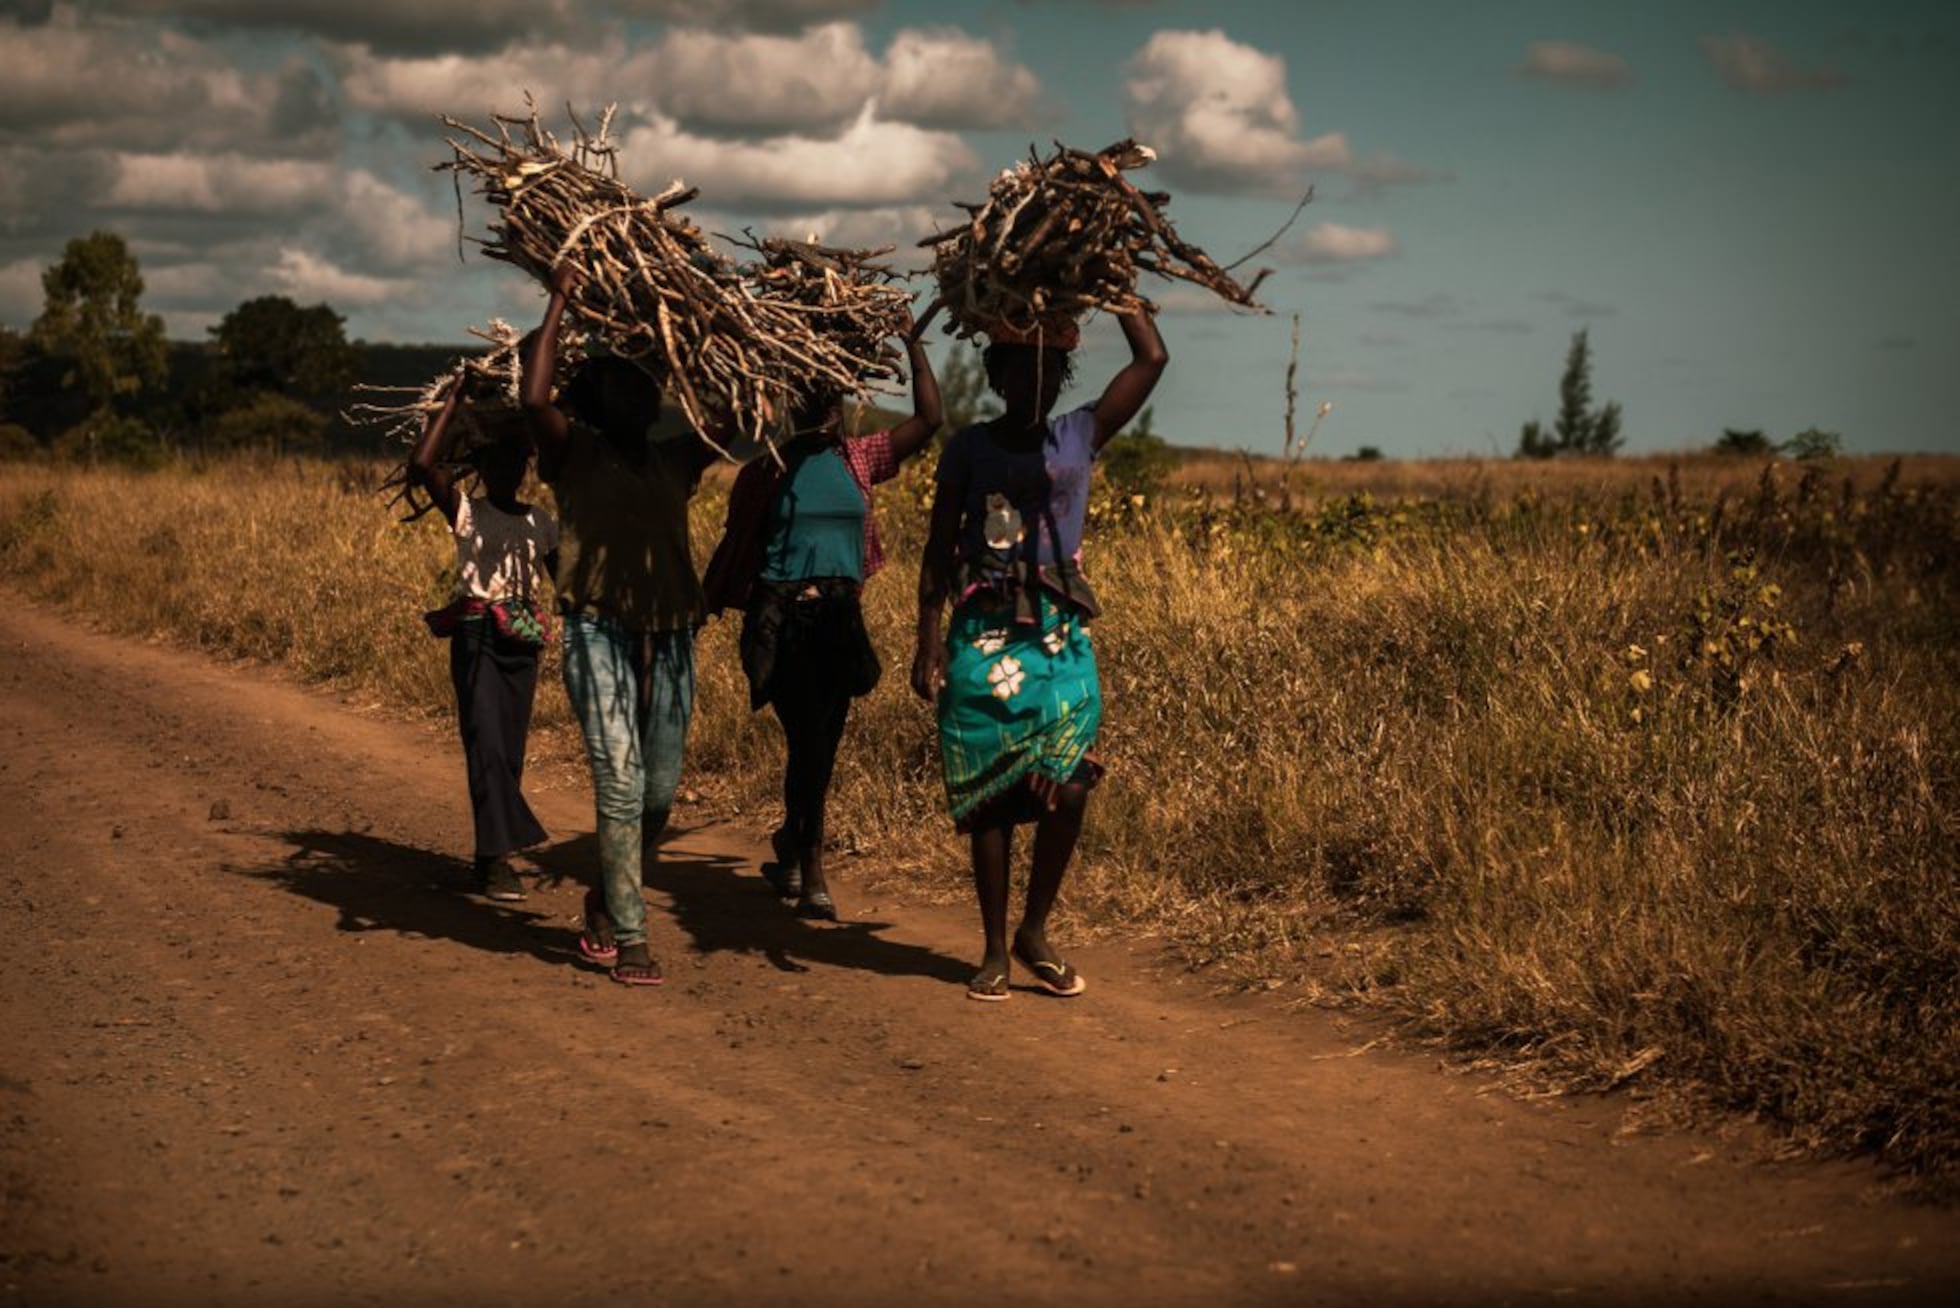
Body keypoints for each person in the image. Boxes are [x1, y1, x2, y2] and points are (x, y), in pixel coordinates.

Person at [911, 311, 1167, 1001]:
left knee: (1072, 783)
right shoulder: (967, 449)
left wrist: (1117, 287)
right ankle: (995, 949)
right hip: (982, 633)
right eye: (1021, 370)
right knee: (990, 796)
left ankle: (1035, 929)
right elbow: (939, 547)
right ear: (994, 375)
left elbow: (1151, 359)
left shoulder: (1080, 432)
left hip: (1057, 634)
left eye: (1051, 372)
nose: (1037, 384)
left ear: (1064, 379)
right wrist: (926, 635)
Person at [701, 309, 944, 921]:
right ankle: (810, 864)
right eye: (809, 395)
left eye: (828, 394)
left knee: (818, 744)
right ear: (792, 402)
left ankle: (792, 843)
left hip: (839, 619)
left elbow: (931, 420)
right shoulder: (766, 472)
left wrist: (913, 345)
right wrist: (703, 605)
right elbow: (738, 544)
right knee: (810, 739)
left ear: (840, 401)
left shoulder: (859, 460)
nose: (821, 407)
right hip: (781, 621)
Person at [521, 263, 719, 987]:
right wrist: (561, 298)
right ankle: (631, 937)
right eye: (627, 381)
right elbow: (533, 396)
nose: (647, 390)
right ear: (599, 400)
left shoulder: (675, 460)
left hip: (669, 634)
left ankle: (606, 897)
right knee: (622, 782)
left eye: (650, 380)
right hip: (596, 630)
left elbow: (732, 417)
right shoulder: (572, 454)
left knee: (660, 792)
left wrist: (699, 334)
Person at [408, 375, 558, 903]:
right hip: (477, 636)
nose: (507, 470)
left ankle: (486, 856)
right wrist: (450, 402)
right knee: (486, 741)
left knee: (509, 751)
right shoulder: (468, 513)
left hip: (522, 640)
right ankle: (500, 859)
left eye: (517, 462)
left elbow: (570, 585)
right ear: (481, 465)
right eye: (496, 462)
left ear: (525, 468)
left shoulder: (542, 522)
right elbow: (424, 465)